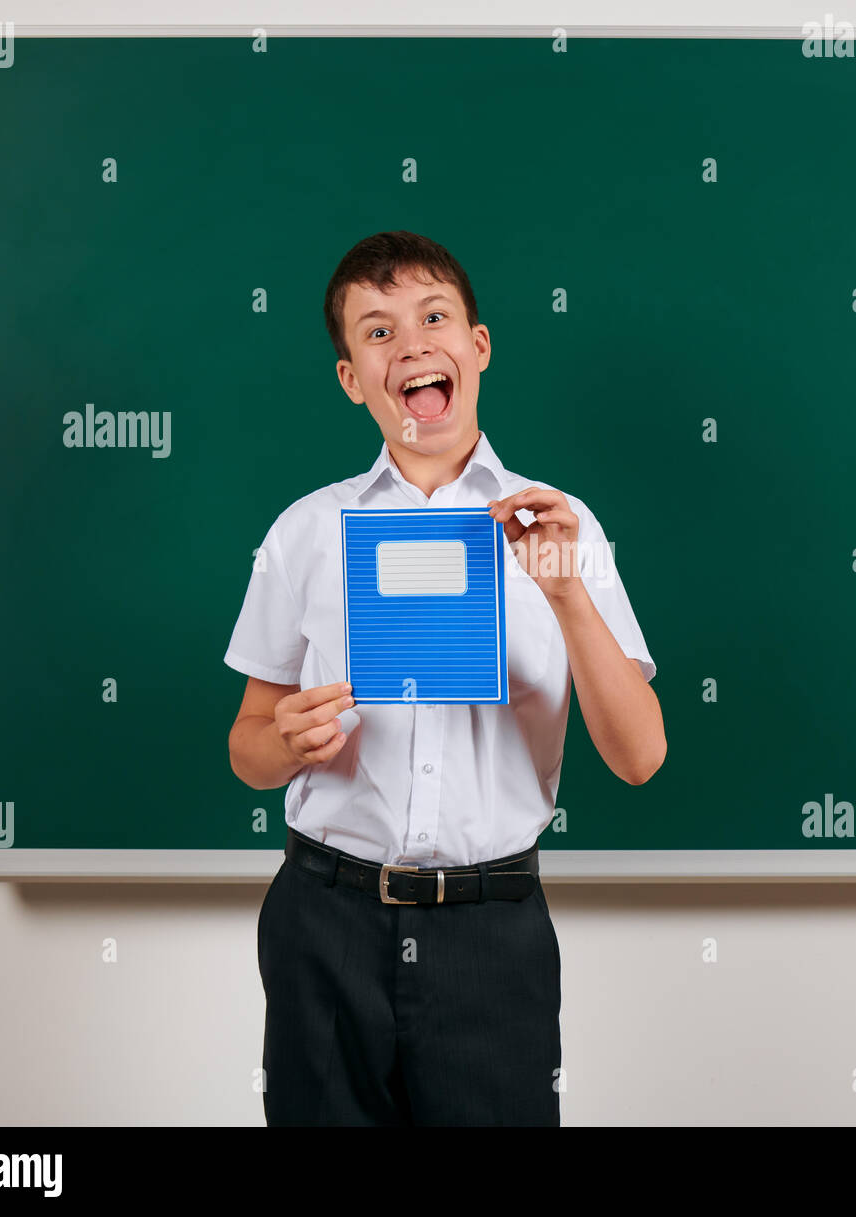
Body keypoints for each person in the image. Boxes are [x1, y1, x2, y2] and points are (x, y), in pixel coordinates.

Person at [224, 230, 666, 1126]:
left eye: (434, 318)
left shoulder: (561, 524)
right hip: (326, 922)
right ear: (353, 376)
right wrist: (285, 740)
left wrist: (566, 595)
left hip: (489, 937)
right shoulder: (306, 530)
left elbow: (641, 755)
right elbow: (248, 747)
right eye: (377, 332)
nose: (413, 344)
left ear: (478, 347)